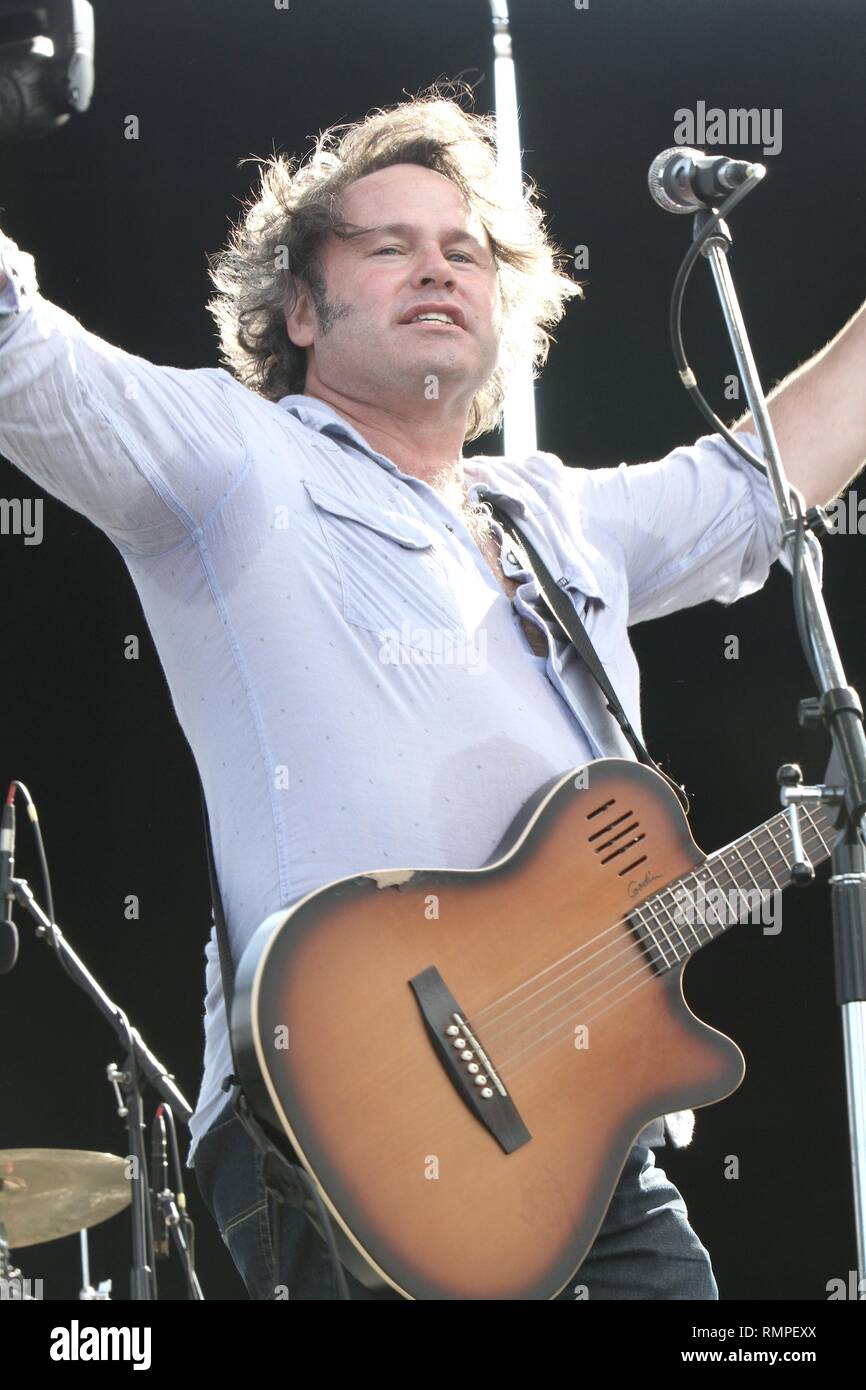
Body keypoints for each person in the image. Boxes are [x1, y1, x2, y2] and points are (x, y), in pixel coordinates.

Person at [0, 86, 860, 1300]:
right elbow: (23, 357)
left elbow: (751, 487)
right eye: (386, 245)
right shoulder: (236, 465)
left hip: (587, 1144)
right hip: (347, 1115)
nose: (434, 269)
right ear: (299, 304)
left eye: (464, 251)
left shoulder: (554, 516)